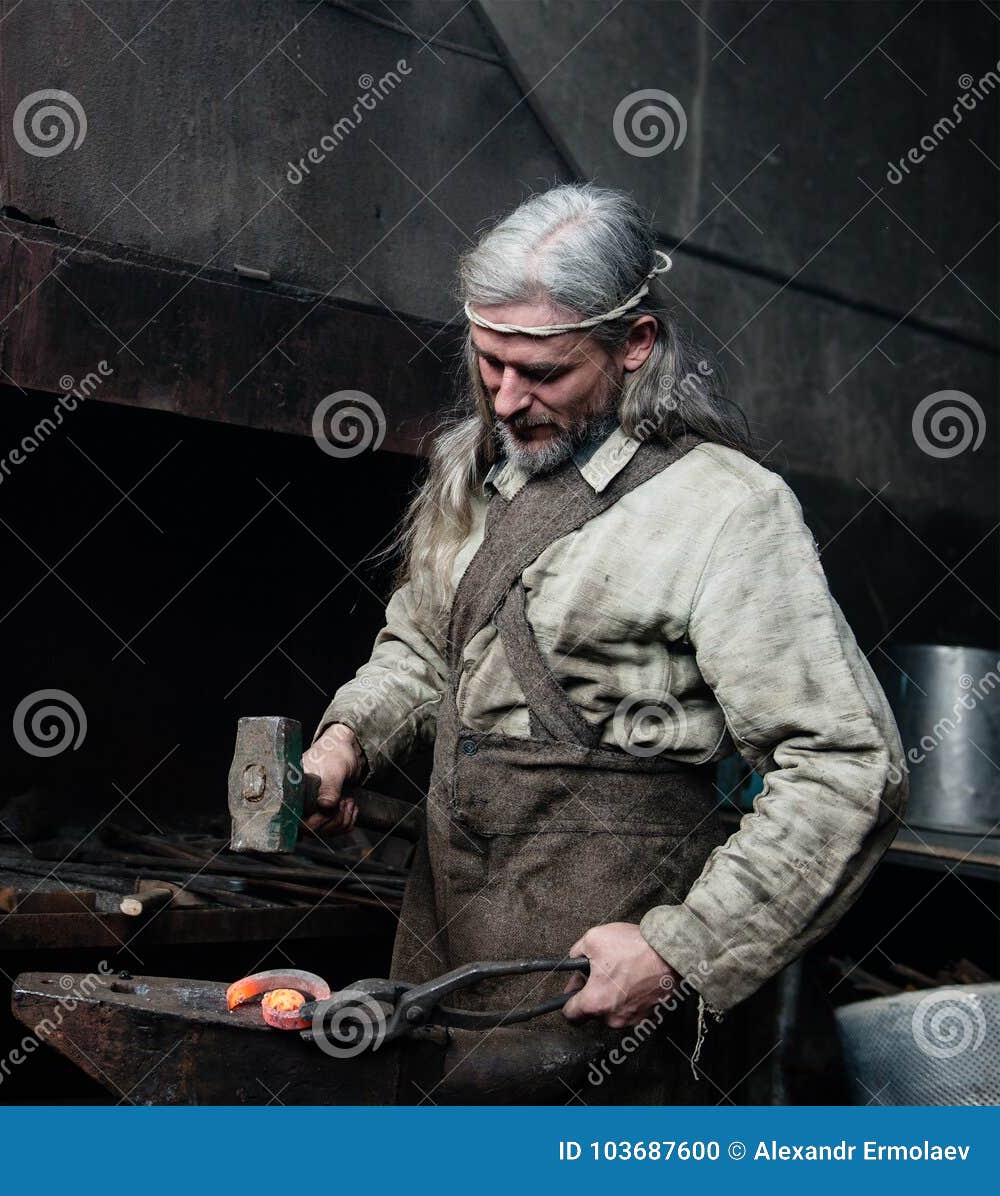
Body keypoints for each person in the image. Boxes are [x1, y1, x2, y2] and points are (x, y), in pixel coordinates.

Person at [304, 183, 906, 1102]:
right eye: (489, 361)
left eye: (543, 374)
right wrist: (351, 737)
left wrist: (680, 949)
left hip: (616, 995)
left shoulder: (727, 511)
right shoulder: (471, 476)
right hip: (451, 954)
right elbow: (426, 653)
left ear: (634, 347)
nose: (506, 399)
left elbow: (848, 769)